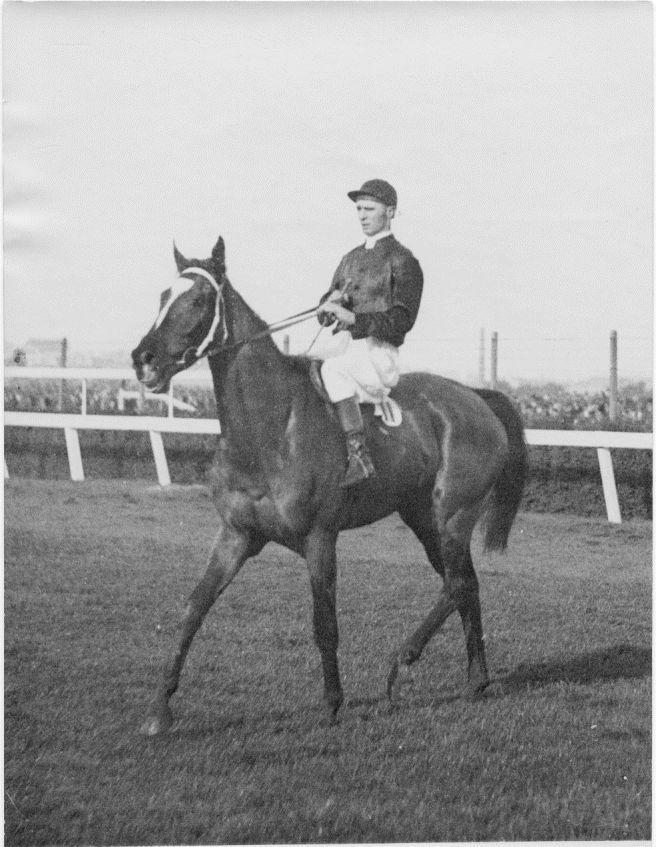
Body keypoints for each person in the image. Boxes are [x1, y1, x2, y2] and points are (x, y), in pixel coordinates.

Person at [316, 179, 424, 487]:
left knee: (332, 370)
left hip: (379, 355)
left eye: (370, 209)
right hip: (347, 349)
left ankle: (360, 456)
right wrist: (327, 306)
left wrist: (352, 317)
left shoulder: (403, 260)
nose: (362, 216)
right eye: (359, 209)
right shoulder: (349, 258)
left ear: (389, 212)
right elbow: (327, 309)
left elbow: (402, 320)